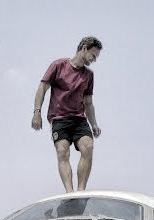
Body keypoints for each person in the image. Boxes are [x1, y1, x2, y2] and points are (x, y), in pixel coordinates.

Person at [31, 37, 102, 193]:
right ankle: (69, 192)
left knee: (88, 146)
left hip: (79, 119)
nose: (94, 59)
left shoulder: (88, 75)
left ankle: (80, 191)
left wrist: (94, 124)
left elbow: (88, 102)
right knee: (62, 151)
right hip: (59, 118)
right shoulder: (58, 65)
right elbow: (42, 88)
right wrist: (37, 112)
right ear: (84, 48)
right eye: (93, 55)